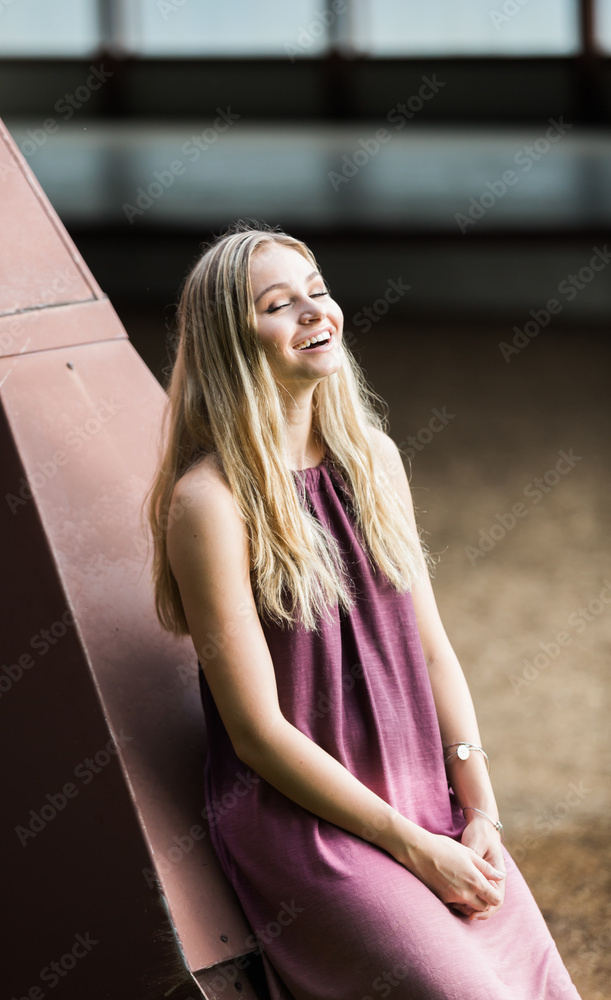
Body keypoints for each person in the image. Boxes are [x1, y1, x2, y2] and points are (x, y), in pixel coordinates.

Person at [145, 220, 581, 999]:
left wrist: (479, 814)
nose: (315, 312)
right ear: (227, 342)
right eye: (279, 304)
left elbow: (433, 651)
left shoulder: (371, 460)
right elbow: (258, 735)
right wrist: (415, 849)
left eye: (317, 292)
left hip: (428, 802)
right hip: (311, 831)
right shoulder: (208, 504)